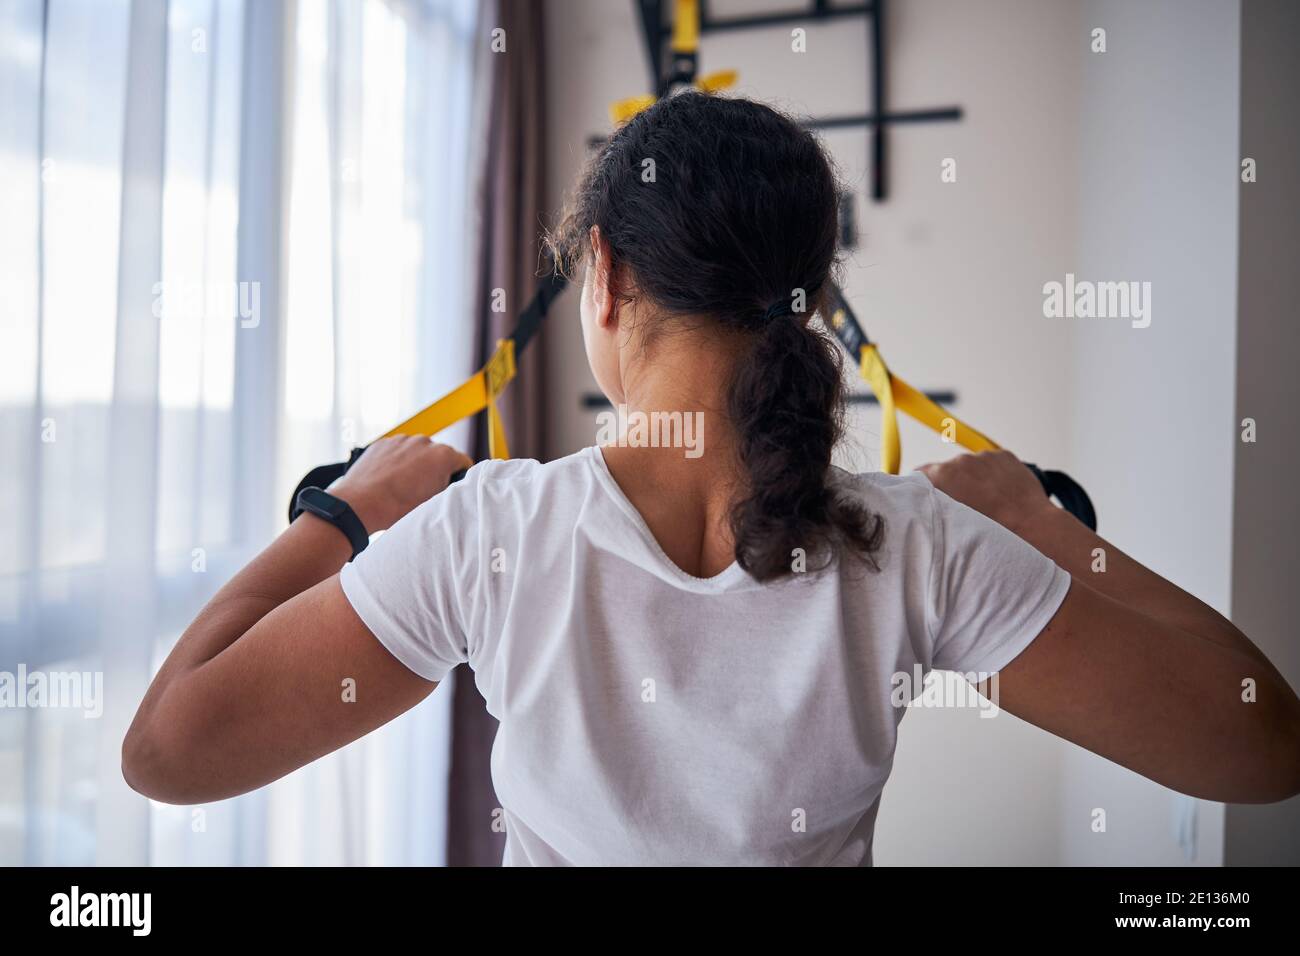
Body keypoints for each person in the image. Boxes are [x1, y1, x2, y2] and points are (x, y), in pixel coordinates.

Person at [123, 92, 1300, 865]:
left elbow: (167, 749)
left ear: (605, 274)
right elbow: (1262, 741)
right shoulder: (917, 543)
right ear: (812, 297)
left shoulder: (487, 533)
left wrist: (343, 513)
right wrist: (1039, 521)